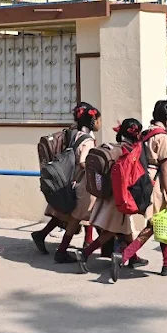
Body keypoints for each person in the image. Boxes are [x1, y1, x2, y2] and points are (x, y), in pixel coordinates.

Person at [117, 101, 167, 277]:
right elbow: (163, 167)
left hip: (144, 179)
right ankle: (123, 256)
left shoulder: (146, 132)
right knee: (154, 224)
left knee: (159, 221)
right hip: (156, 182)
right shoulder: (163, 136)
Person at [76, 118, 144, 277]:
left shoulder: (116, 148)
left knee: (126, 229)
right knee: (112, 231)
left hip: (108, 194)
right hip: (119, 197)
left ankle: (133, 257)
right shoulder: (128, 151)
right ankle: (85, 253)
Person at [50, 103, 101, 264]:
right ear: (93, 121)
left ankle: (81, 245)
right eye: (99, 120)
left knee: (78, 218)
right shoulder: (88, 140)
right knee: (81, 217)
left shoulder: (75, 134)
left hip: (74, 181)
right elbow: (83, 160)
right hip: (85, 184)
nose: (100, 123)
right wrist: (96, 168)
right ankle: (65, 250)